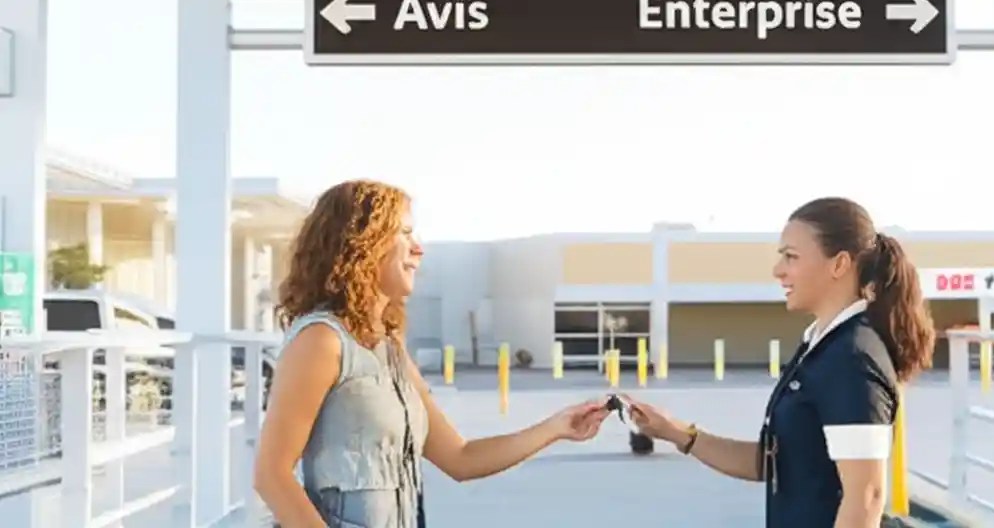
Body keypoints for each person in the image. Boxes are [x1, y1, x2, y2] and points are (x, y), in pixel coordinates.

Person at [253, 179, 609, 528]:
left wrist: (556, 427)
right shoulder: (321, 340)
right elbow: (272, 476)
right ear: (362, 242)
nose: (418, 249)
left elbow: (460, 458)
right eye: (405, 233)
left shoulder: (390, 348)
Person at [624, 197, 935, 528]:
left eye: (792, 257)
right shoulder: (821, 347)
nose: (778, 270)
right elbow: (773, 462)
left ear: (839, 264)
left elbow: (866, 496)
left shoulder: (851, 359)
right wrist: (674, 432)